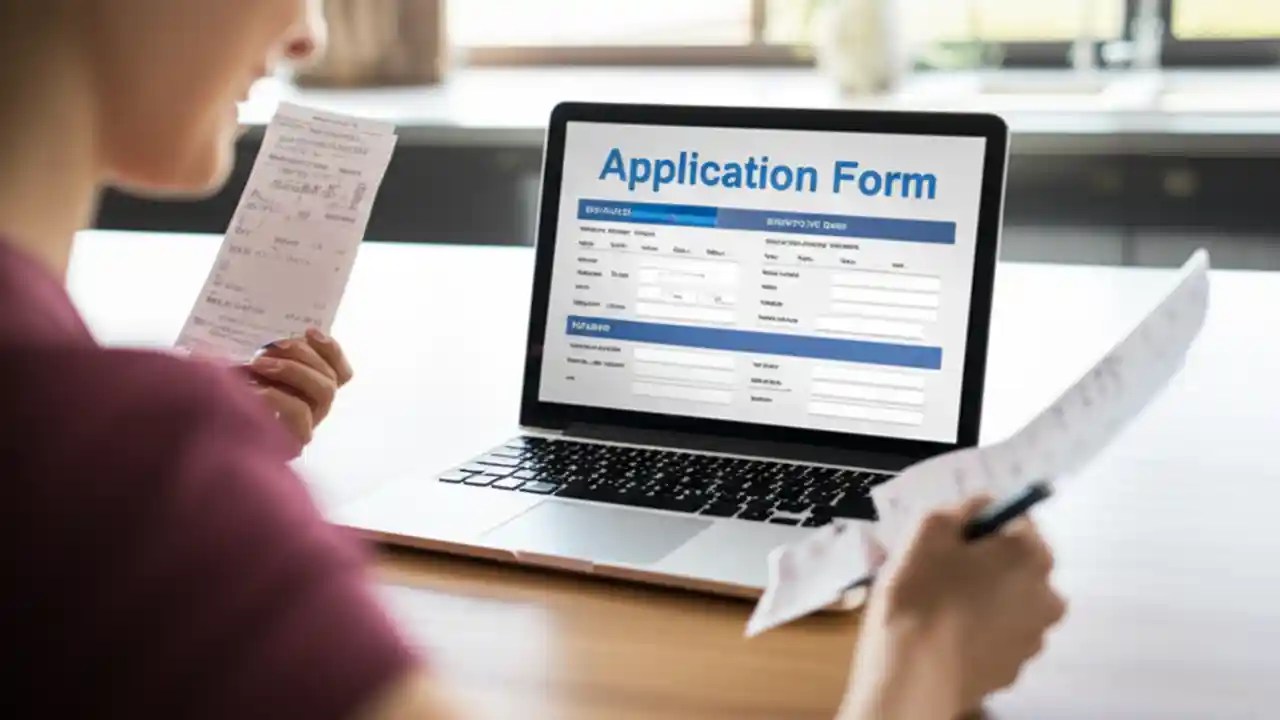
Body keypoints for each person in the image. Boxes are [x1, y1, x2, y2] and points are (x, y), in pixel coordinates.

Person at [0, 2, 1064, 718]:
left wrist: (213, 510)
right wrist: (917, 666)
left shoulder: (102, 457)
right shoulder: (115, 471)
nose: (307, 33)